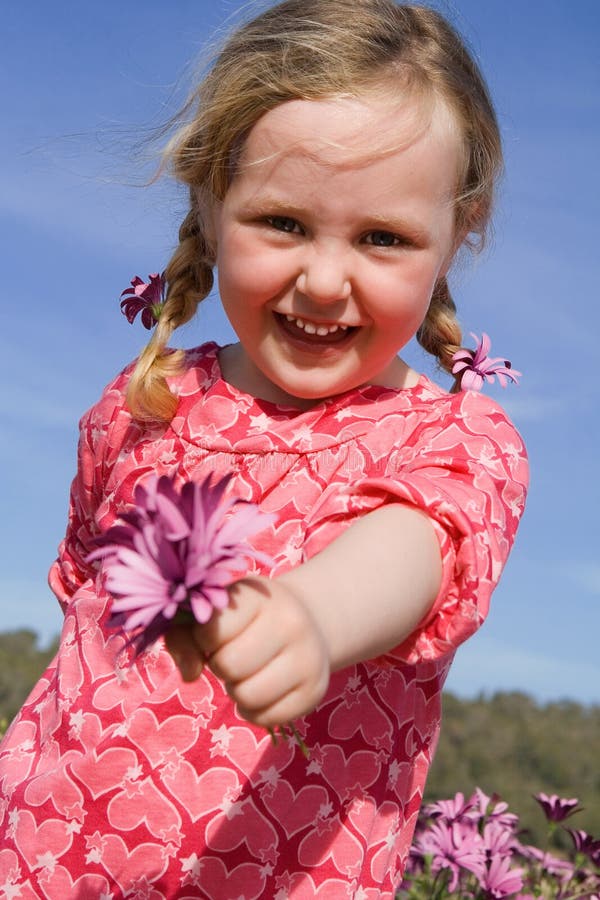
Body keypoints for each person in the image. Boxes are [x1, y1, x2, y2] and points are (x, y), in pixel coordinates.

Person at [0, 1, 528, 896]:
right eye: (282, 222)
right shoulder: (143, 405)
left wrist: (312, 616)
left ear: (460, 230)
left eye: (383, 238)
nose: (323, 281)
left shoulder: (457, 438)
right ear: (208, 197)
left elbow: (409, 550)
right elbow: (83, 633)